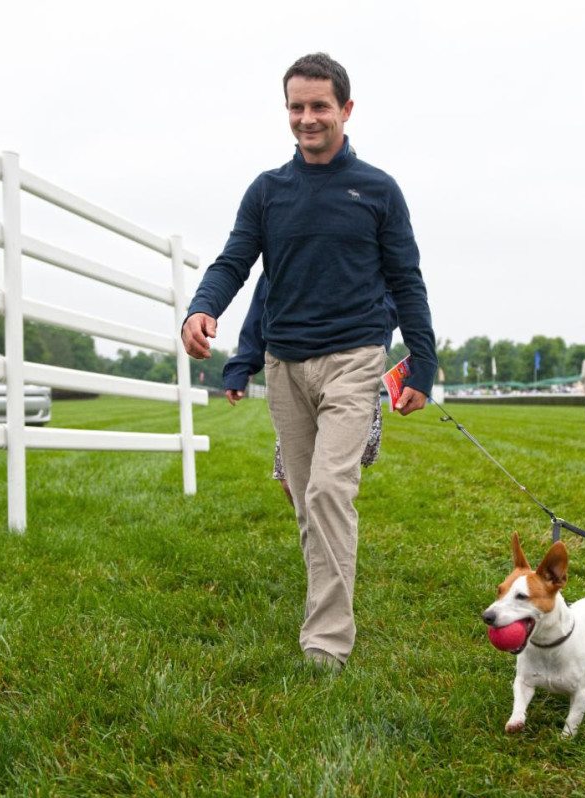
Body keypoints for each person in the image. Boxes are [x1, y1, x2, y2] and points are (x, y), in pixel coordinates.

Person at [182, 53, 437, 673]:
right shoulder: (267, 191)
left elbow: (407, 280)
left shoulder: (377, 190)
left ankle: (326, 639)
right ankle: (327, 601)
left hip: (355, 357)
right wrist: (202, 307)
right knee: (305, 499)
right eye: (296, 107)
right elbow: (233, 261)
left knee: (328, 490)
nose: (307, 118)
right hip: (285, 365)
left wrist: (422, 364)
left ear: (346, 109)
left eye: (320, 106)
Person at [222, 274, 397, 504]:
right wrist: (243, 364)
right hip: (296, 367)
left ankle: (329, 524)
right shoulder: (288, 253)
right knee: (291, 482)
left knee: (329, 481)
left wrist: (356, 323)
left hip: (351, 368)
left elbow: (398, 293)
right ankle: (316, 527)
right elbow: (264, 305)